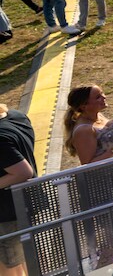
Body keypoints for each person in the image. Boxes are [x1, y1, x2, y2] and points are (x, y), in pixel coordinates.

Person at [0, 103, 36, 276]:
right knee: (29, 259)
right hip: (27, 202)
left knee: (10, 266)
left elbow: (23, 172)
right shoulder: (18, 117)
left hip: (7, 213)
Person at [63, 85, 113, 164]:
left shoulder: (97, 115)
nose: (104, 97)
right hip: (106, 171)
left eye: (102, 93)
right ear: (84, 106)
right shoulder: (83, 130)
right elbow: (88, 164)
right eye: (98, 97)